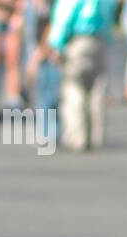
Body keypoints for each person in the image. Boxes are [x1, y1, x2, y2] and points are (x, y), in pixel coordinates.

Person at [46, 0, 114, 149]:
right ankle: (95, 136)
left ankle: (77, 136)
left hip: (78, 39)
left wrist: (56, 43)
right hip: (99, 39)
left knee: (74, 87)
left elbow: (65, 15)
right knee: (96, 88)